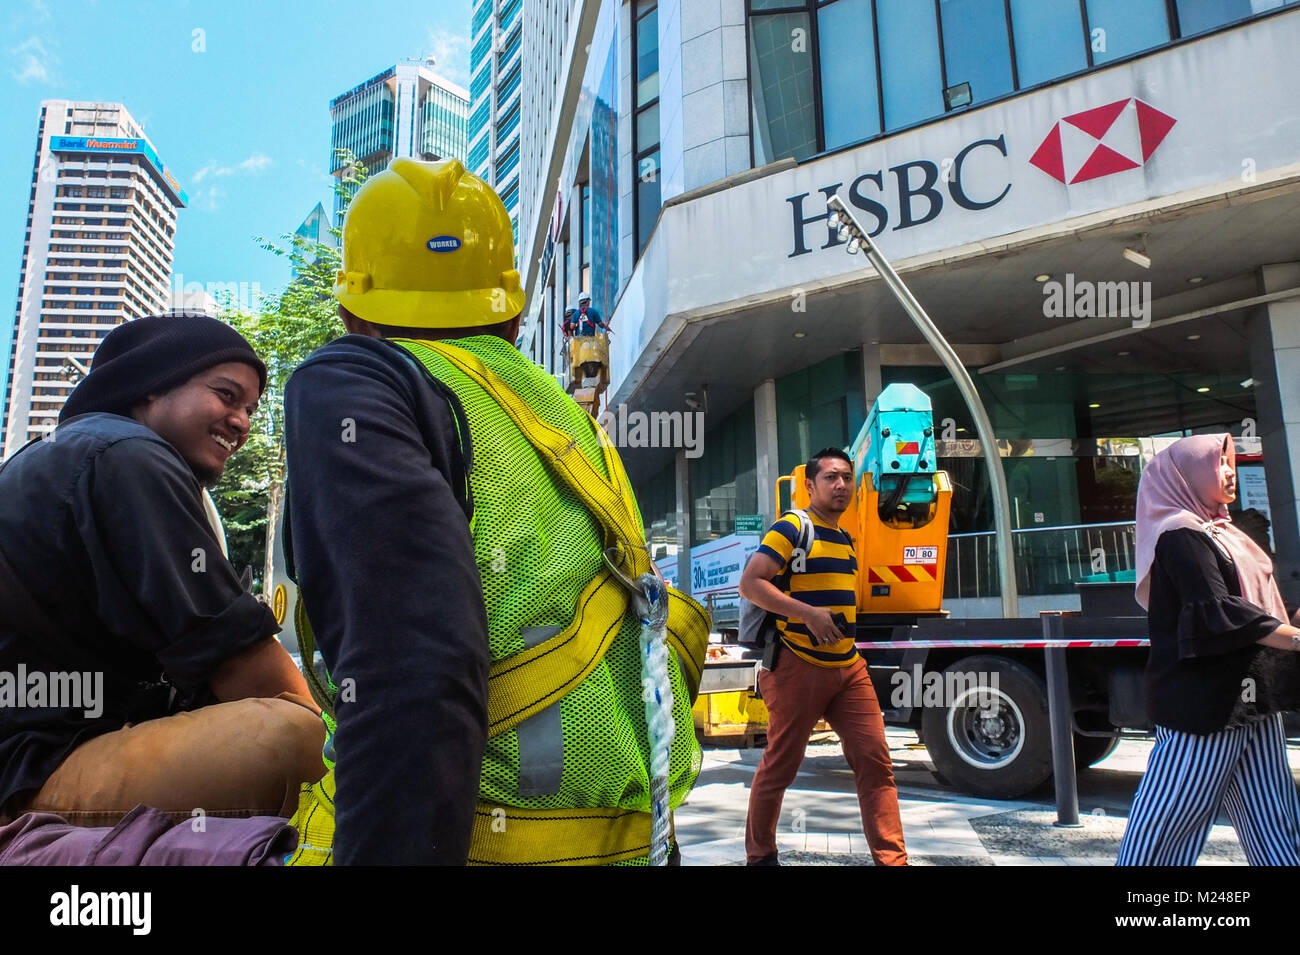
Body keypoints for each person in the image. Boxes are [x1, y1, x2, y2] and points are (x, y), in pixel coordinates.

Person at [282, 157, 708, 866]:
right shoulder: (563, 419)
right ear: (508, 312)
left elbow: (412, 668)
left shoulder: (356, 379)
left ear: (351, 309)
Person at [0, 314, 326, 830]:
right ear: (149, 388)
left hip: (53, 748)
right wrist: (338, 742)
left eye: (249, 409)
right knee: (298, 740)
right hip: (35, 772)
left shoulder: (86, 450)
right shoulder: (128, 455)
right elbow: (237, 657)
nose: (241, 421)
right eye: (225, 395)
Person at [1117, 433, 1300, 865]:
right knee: (1166, 829)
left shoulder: (1223, 532)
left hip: (1253, 700)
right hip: (1203, 707)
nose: (1231, 472)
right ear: (1188, 474)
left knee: (1274, 824)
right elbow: (1219, 611)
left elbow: (1256, 603)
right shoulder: (1179, 534)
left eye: (1231, 462)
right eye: (1220, 463)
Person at [738, 447, 907, 866]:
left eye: (847, 477)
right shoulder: (793, 526)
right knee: (781, 765)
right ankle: (760, 857)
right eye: (831, 477)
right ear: (809, 485)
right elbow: (751, 583)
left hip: (848, 667)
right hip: (798, 665)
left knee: (876, 762)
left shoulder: (846, 540)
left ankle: (893, 861)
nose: (841, 485)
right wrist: (807, 614)